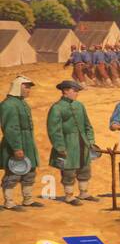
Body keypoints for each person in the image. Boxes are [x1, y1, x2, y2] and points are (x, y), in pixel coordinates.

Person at [47, 79, 97, 205]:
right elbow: (54, 130)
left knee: (85, 167)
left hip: (83, 142)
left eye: (77, 91)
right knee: (68, 170)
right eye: (74, 91)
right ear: (65, 91)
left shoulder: (79, 106)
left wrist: (90, 141)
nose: (76, 93)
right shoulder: (57, 108)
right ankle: (69, 196)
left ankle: (83, 193)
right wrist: (60, 147)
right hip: (67, 143)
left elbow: (88, 125)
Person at [1, 76, 42, 211]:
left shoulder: (22, 103)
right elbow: (11, 128)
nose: (29, 90)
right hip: (15, 143)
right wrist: (17, 147)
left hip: (27, 142)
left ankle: (28, 199)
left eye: (29, 87)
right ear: (18, 87)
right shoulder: (9, 104)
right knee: (13, 172)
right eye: (26, 87)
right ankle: (9, 202)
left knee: (29, 170)